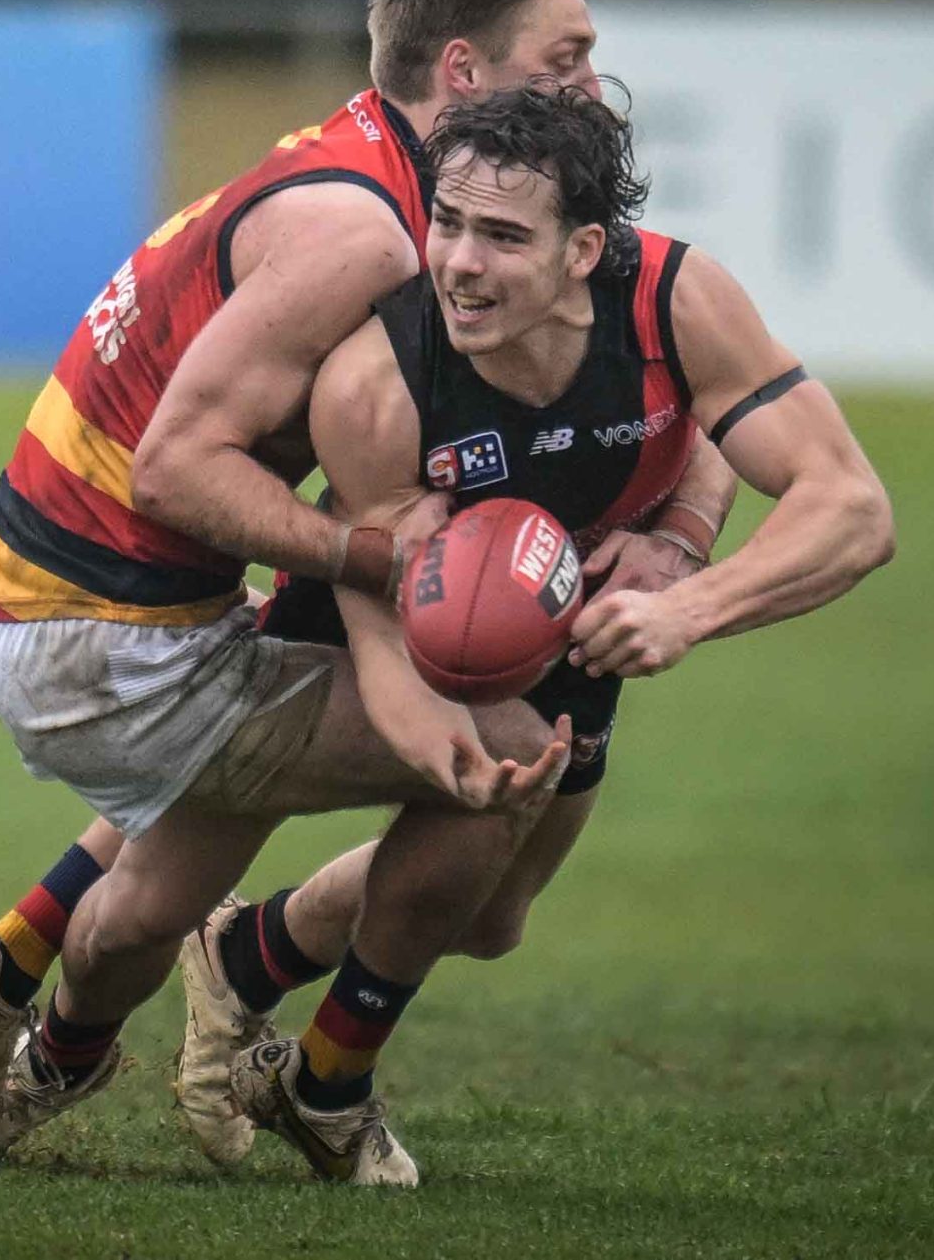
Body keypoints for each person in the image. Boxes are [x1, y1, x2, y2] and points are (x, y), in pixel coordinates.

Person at [0, 0, 740, 1171]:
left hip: (49, 591)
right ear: (462, 72)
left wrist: (676, 528)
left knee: (169, 895)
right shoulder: (372, 233)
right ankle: (314, 1083)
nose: (588, 86)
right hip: (106, 635)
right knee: (496, 761)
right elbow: (185, 470)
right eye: (562, 58)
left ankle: (14, 996)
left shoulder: (400, 185)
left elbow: (694, 360)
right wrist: (381, 562)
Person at [185, 80, 895, 1180]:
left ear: (583, 251)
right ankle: (327, 1082)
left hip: (577, 603)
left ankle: (245, 949)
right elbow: (368, 564)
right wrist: (420, 710)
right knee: (458, 810)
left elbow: (850, 505)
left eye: (503, 235)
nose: (460, 261)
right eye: (449, 222)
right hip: (406, 595)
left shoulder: (674, 298)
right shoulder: (380, 376)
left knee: (490, 915)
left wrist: (685, 577)